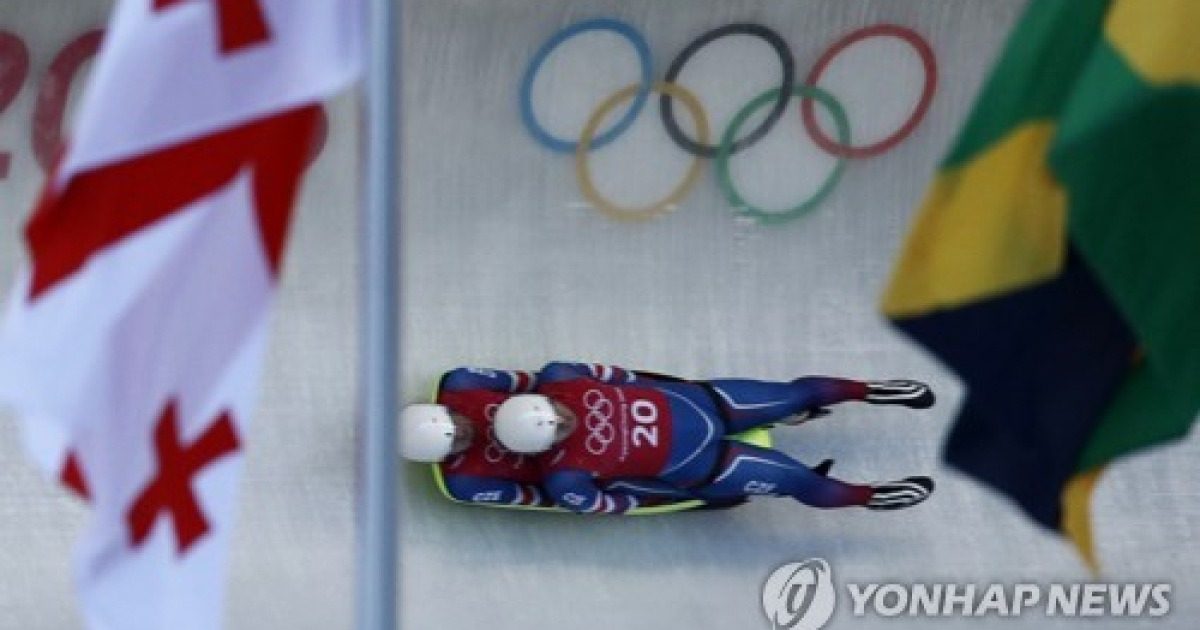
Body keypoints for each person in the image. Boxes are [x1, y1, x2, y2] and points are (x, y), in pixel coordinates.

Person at [492, 361, 936, 514]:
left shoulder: (560, 379)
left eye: (558, 413)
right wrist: (665, 497)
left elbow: (624, 373)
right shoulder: (563, 477)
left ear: (546, 402)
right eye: (560, 428)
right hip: (711, 467)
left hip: (712, 402)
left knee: (795, 391)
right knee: (801, 482)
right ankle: (870, 496)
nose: (568, 420)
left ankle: (872, 390)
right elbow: (609, 504)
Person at [398, 367, 554, 507]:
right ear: (444, 456)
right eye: (454, 441)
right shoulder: (465, 483)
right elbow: (533, 497)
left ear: (447, 410)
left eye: (453, 422)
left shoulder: (463, 383)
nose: (462, 432)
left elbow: (530, 381)